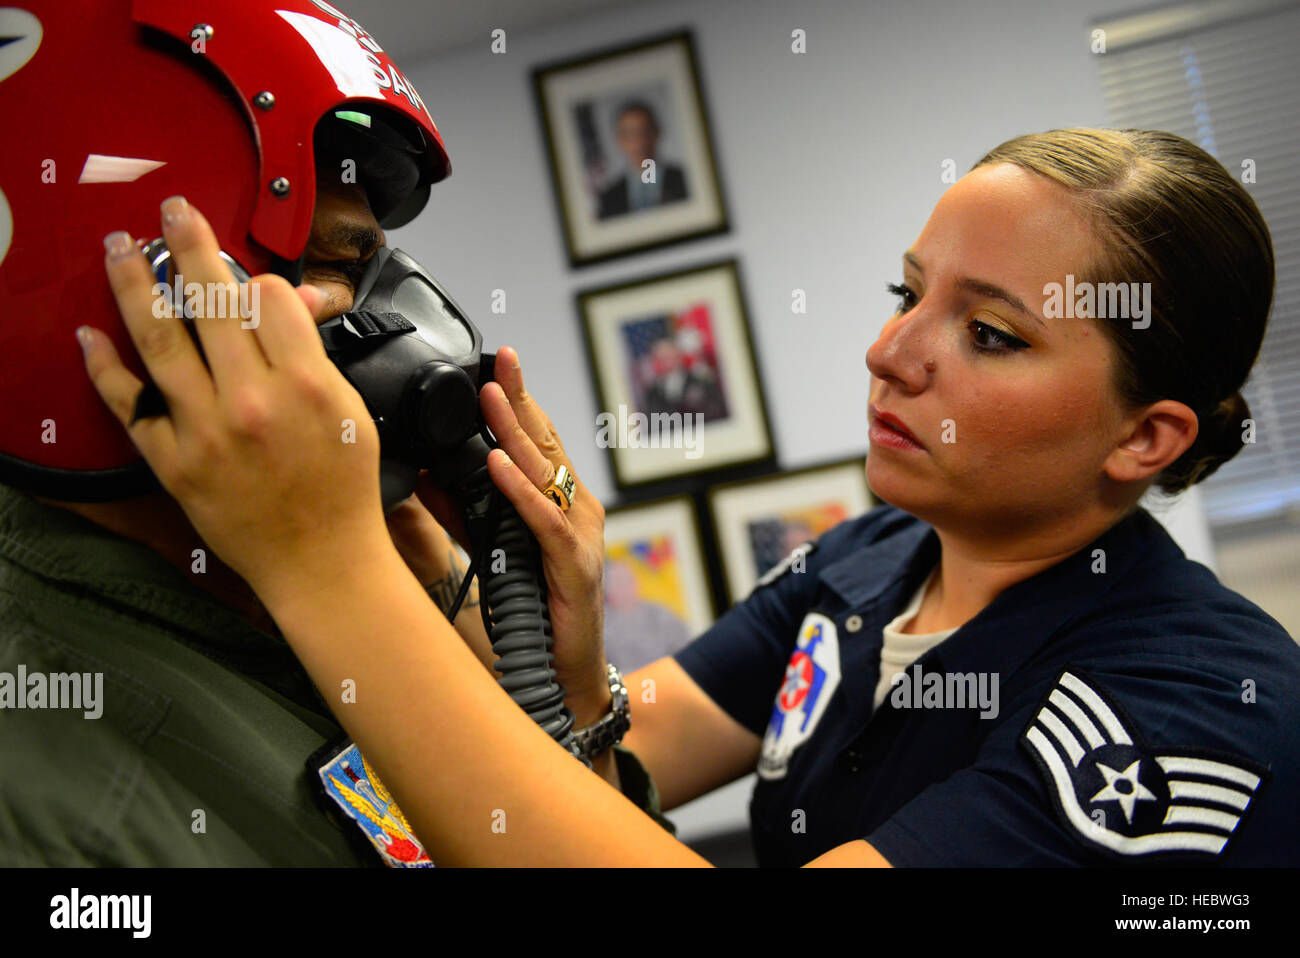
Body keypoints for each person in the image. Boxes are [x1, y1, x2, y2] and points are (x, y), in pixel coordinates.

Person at [77, 123, 1300, 867]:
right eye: (903, 292)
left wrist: (321, 563)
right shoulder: (874, 561)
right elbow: (619, 745)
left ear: (1146, 437)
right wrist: (494, 601)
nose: (892, 353)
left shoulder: (1192, 701)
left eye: (986, 334)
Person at [0, 0, 558, 866]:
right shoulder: (59, 796)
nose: (409, 328)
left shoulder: (294, 595)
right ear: (170, 301)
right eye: (340, 265)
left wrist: (516, 640)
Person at [597, 100, 689, 219]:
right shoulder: (609, 197)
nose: (639, 142)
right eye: (630, 134)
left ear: (657, 133)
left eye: (644, 132)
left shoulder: (685, 180)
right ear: (619, 140)